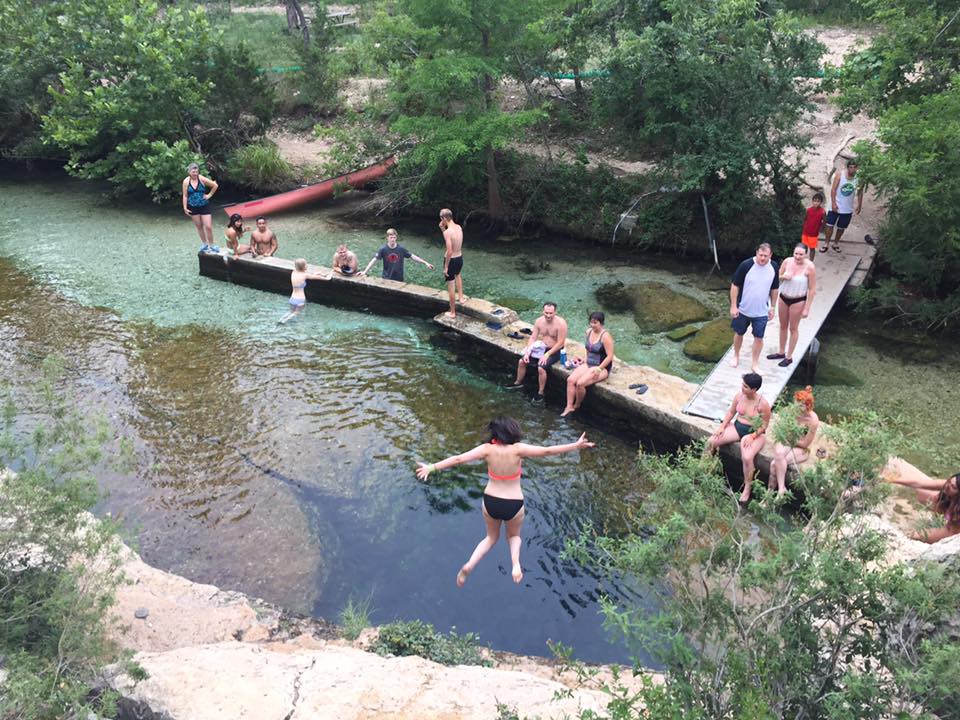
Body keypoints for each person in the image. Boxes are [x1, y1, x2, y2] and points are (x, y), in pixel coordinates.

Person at [415, 416, 595, 586]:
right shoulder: (518, 449)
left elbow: (458, 459)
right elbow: (547, 451)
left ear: (495, 433)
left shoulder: (486, 449)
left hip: (491, 502)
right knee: (514, 536)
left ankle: (470, 564)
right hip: (513, 504)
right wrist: (575, 445)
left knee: (490, 538)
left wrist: (431, 467)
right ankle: (515, 563)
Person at [706, 372, 772, 505]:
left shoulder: (763, 404)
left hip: (755, 433)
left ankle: (747, 487)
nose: (742, 388)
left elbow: (764, 425)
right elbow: (731, 412)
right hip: (737, 428)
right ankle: (705, 468)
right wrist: (722, 426)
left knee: (747, 457)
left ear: (754, 389)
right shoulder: (739, 396)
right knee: (711, 441)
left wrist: (753, 436)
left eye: (746, 386)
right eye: (743, 384)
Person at [729, 243, 779, 373]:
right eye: (760, 255)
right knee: (739, 333)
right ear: (756, 253)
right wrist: (733, 306)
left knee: (759, 337)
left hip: (761, 311)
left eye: (765, 256)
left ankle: (755, 363)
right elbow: (735, 285)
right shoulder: (746, 265)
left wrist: (773, 307)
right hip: (743, 308)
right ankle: (736, 355)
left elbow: (774, 288)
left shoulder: (774, 266)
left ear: (770, 255)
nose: (762, 258)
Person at [883, 461, 960, 544]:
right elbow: (919, 483)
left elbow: (950, 531)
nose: (948, 486)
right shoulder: (948, 486)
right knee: (923, 493)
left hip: (951, 531)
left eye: (953, 487)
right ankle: (938, 518)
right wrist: (893, 480)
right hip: (948, 518)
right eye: (949, 482)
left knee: (913, 535)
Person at [766, 244, 817, 368]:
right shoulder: (787, 261)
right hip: (784, 297)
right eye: (796, 254)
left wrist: (807, 308)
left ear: (806, 255)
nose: (798, 257)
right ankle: (781, 352)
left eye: (801, 254)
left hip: (798, 299)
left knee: (793, 328)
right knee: (783, 326)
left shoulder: (810, 267)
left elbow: (812, 289)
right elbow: (776, 279)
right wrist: (784, 277)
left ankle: (789, 357)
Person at [506, 302, 568, 402]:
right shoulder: (539, 321)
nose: (548, 315)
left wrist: (547, 354)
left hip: (555, 350)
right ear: (543, 311)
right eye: (546, 313)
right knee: (522, 361)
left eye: (551, 313)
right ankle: (518, 382)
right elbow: (533, 338)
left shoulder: (561, 324)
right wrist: (528, 351)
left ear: (555, 312)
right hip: (542, 347)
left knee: (541, 367)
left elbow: (561, 343)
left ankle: (541, 392)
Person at [768, 386, 820, 498]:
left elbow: (805, 443)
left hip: (801, 448)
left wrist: (791, 439)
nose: (796, 407)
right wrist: (786, 438)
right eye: (796, 403)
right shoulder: (789, 411)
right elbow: (781, 432)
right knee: (779, 454)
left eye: (800, 405)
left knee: (774, 464)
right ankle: (779, 490)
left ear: (808, 406)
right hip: (786, 441)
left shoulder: (813, 420)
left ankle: (772, 495)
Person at [561, 311, 614, 418]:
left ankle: (577, 405)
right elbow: (588, 348)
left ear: (601, 323)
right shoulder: (589, 332)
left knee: (580, 383)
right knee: (570, 380)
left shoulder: (605, 337)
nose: (592, 325)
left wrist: (600, 368)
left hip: (601, 367)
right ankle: (569, 406)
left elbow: (610, 356)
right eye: (591, 322)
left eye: (595, 323)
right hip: (589, 363)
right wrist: (586, 359)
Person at [821, 158, 864, 254]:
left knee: (841, 227)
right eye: (850, 167)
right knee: (829, 225)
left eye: (854, 167)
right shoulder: (840, 175)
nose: (852, 169)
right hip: (836, 205)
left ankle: (836, 243)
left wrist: (859, 205)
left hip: (847, 207)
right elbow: (833, 190)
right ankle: (826, 243)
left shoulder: (859, 178)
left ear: (857, 168)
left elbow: (860, 192)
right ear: (847, 167)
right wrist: (833, 203)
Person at [359, 228, 434, 281]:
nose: (393, 239)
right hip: (386, 278)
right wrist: (365, 272)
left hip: (399, 279)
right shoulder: (383, 249)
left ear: (396, 238)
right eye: (391, 237)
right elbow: (374, 260)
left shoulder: (401, 249)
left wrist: (425, 262)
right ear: (387, 238)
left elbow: (412, 256)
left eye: (394, 237)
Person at [182, 162, 219, 252]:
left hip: (204, 205)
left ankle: (212, 245)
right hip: (193, 207)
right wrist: (185, 208)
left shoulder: (201, 178)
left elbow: (215, 185)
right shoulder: (186, 181)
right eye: (193, 172)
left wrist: (209, 195)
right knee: (199, 226)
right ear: (189, 172)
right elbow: (185, 195)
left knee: (208, 226)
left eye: (196, 172)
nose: (195, 174)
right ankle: (204, 244)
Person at [279, 258, 329, 324]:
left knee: (291, 311)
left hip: (292, 298)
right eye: (306, 264)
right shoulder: (305, 275)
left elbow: (308, 274)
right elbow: (317, 277)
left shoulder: (294, 272)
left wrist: (318, 273)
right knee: (296, 313)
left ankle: (281, 319)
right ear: (304, 266)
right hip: (300, 299)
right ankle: (285, 321)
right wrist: (326, 278)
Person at [438, 209, 465, 318]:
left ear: (444, 218)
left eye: (441, 219)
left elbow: (449, 251)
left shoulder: (447, 232)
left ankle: (452, 312)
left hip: (451, 260)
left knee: (451, 285)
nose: (441, 221)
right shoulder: (459, 227)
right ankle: (461, 298)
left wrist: (446, 267)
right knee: (458, 275)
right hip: (459, 258)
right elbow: (453, 240)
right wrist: (442, 228)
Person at [801, 191, 826, 261]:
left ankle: (811, 261)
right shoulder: (808, 210)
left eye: (818, 201)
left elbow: (824, 221)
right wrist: (803, 227)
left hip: (814, 234)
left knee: (812, 248)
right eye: (814, 201)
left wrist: (821, 229)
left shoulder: (822, 212)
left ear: (821, 202)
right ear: (812, 201)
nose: (816, 203)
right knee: (804, 247)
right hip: (805, 232)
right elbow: (804, 219)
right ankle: (803, 259)